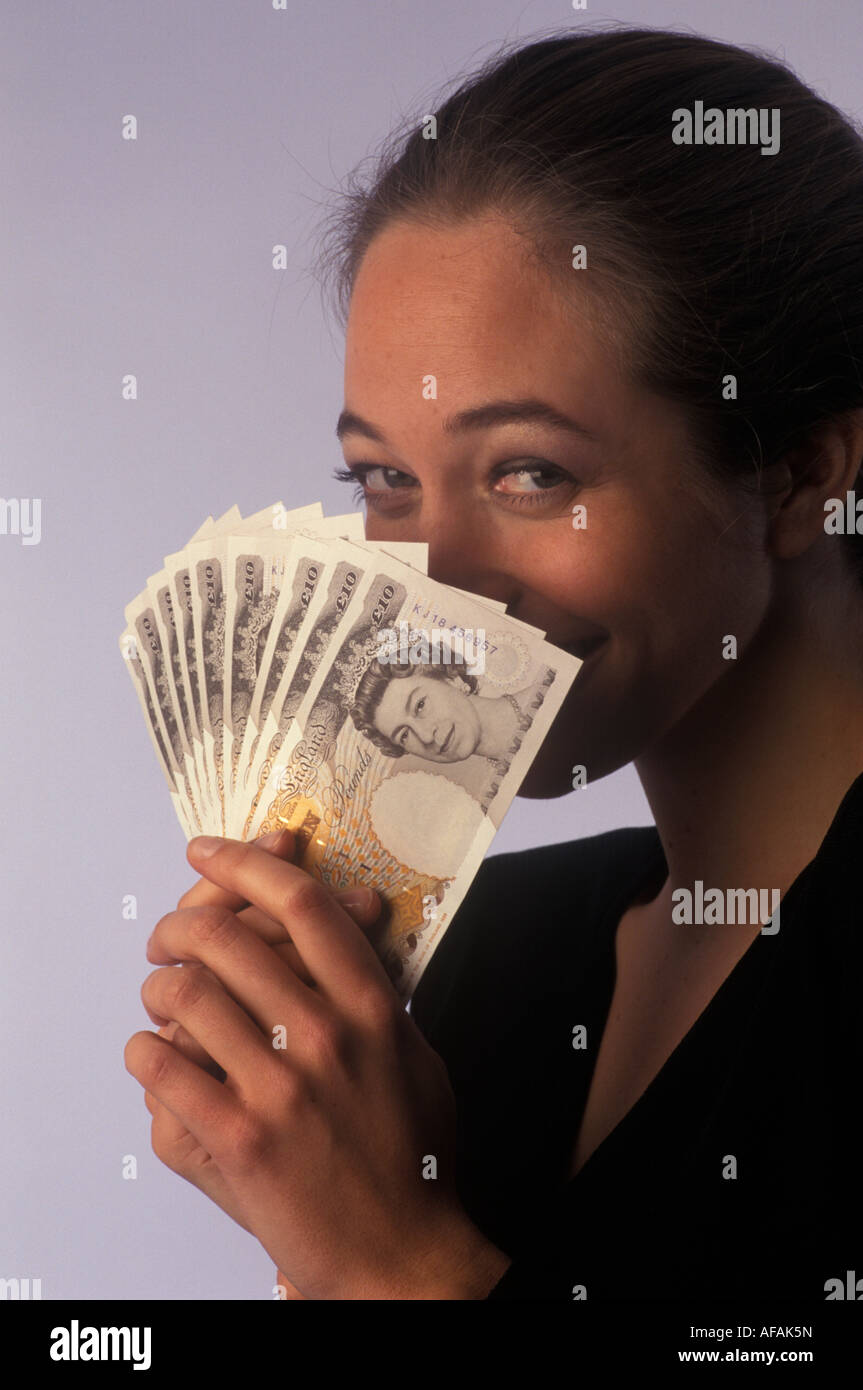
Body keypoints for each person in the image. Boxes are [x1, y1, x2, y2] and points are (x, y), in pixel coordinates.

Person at [126, 27, 863, 1300]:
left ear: (801, 471)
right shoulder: (494, 957)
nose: (421, 592)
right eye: (385, 481)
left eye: (531, 474)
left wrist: (387, 1265)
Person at [349, 655, 547, 768]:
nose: (426, 736)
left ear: (452, 678)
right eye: (404, 735)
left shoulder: (549, 694)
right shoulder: (496, 793)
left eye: (420, 705)